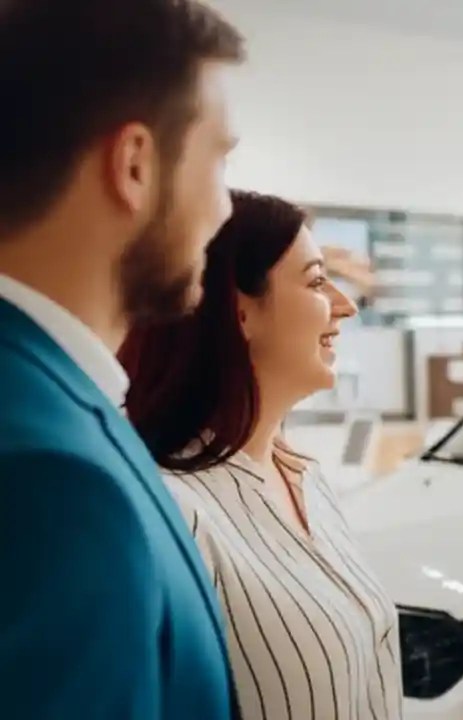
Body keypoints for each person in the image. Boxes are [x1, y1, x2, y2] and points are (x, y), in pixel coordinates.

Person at [0, 1, 244, 717]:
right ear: (134, 163)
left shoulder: (48, 401)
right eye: (219, 159)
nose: (226, 208)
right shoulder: (51, 477)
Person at [118, 190, 403, 720]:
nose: (346, 305)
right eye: (317, 281)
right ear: (238, 311)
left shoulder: (306, 480)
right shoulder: (176, 510)